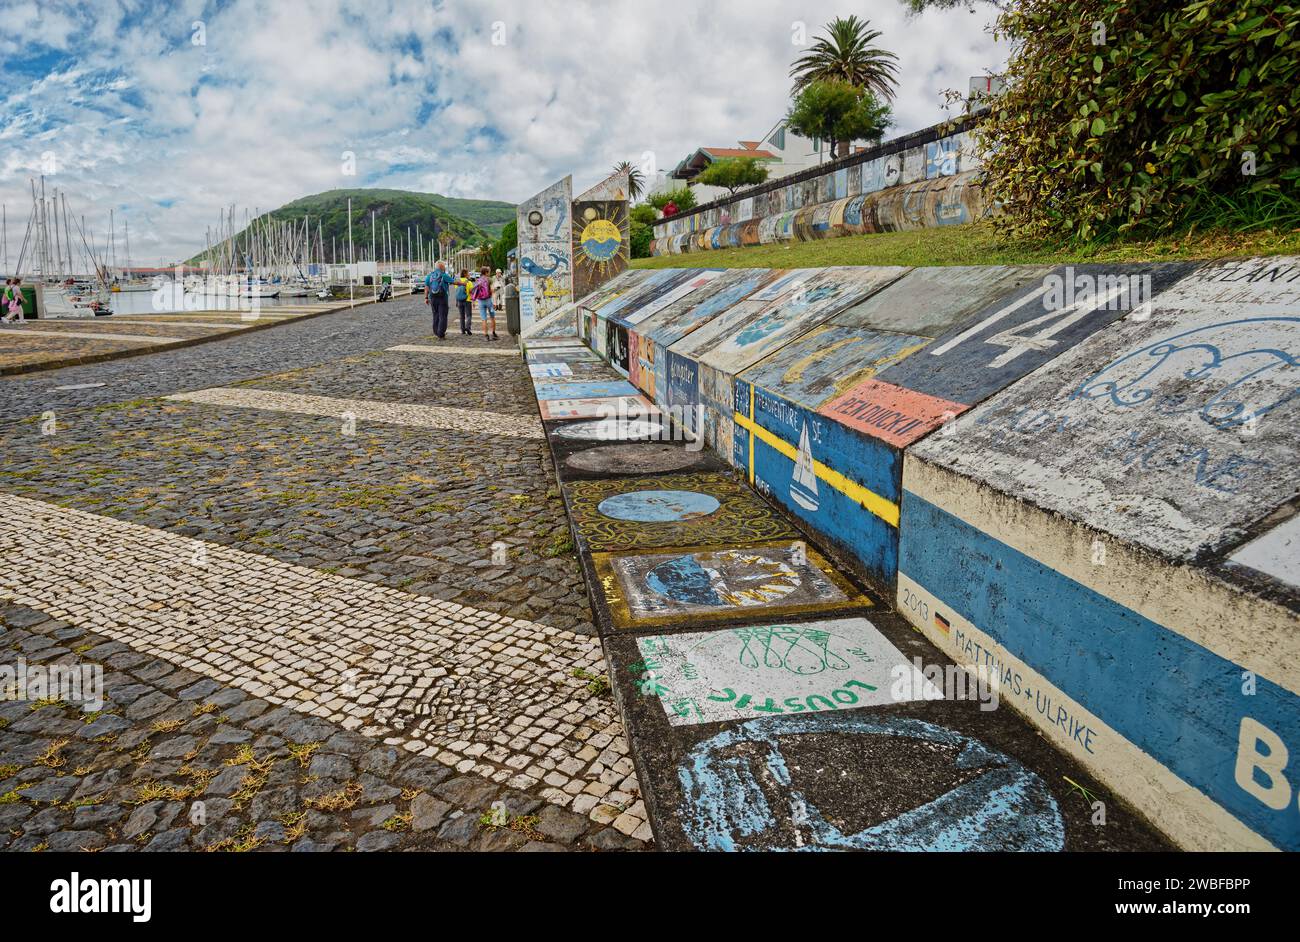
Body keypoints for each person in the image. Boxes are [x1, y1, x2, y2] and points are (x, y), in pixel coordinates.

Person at [424, 261, 452, 339]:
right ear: (442, 267)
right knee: (443, 315)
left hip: (432, 298)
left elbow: (426, 288)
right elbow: (454, 281)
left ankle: (436, 332)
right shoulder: (444, 275)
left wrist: (426, 298)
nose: (445, 268)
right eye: (444, 266)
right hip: (443, 298)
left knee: (435, 315)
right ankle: (441, 333)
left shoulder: (429, 276)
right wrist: (463, 283)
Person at [474, 266, 498, 341]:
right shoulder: (489, 279)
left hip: (480, 302)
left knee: (484, 319)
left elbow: (476, 291)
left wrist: (474, 301)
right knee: (492, 317)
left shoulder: (478, 280)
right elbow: (492, 290)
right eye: (488, 272)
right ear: (486, 272)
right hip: (489, 301)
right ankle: (493, 333)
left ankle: (486, 335)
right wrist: (495, 302)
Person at [454, 268, 473, 335]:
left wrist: (456, 301)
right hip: (467, 300)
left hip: (459, 300)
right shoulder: (469, 282)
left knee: (461, 316)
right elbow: (471, 291)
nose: (469, 275)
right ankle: (467, 327)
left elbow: (457, 292)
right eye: (468, 273)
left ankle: (462, 330)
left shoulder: (457, 282)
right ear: (465, 274)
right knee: (469, 315)